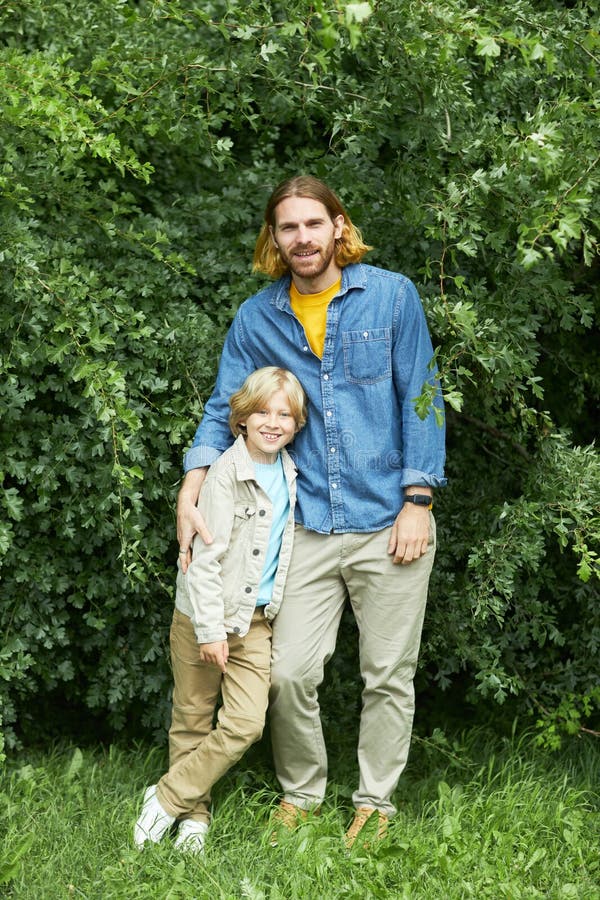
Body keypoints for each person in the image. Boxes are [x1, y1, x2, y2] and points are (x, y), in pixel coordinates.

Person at [177, 175, 446, 849]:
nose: (301, 238)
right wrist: (193, 480)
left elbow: (424, 395)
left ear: (337, 226)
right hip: (302, 525)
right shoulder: (257, 318)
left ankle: (375, 804)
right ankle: (302, 792)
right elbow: (223, 408)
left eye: (312, 224)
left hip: (391, 519)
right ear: (275, 238)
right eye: (287, 227)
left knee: (388, 674)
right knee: (288, 671)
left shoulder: (391, 296)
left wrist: (419, 499)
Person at [134, 366, 307, 854]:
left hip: (253, 621)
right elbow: (203, 563)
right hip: (201, 617)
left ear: (297, 423)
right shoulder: (225, 476)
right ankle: (194, 817)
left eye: (285, 414)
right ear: (241, 418)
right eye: (262, 412)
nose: (272, 422)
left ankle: (167, 796)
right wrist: (210, 631)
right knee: (192, 715)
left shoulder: (291, 473)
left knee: (246, 722)